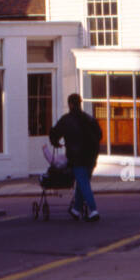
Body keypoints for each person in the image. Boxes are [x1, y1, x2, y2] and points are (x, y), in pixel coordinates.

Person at [49, 93, 103, 222]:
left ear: (70, 104)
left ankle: (93, 210)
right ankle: (76, 209)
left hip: (77, 156)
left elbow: (55, 133)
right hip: (92, 156)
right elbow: (100, 134)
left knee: (83, 182)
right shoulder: (89, 119)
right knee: (82, 181)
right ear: (80, 103)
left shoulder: (67, 120)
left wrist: (55, 142)